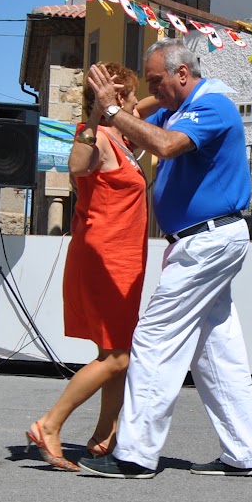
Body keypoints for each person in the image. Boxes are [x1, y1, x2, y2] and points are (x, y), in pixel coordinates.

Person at [75, 40, 252, 479]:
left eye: (158, 81)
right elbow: (134, 121)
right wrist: (113, 102)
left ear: (183, 74)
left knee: (155, 338)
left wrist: (111, 108)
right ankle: (244, 454)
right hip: (203, 240)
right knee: (217, 350)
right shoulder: (176, 106)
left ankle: (135, 454)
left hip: (208, 240)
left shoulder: (212, 105)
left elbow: (164, 145)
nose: (153, 90)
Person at [25, 63, 149, 471]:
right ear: (118, 101)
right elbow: (77, 166)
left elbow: (147, 106)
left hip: (123, 259)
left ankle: (103, 437)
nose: (135, 104)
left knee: (117, 352)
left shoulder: (125, 140)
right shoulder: (101, 139)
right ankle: (50, 423)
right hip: (106, 259)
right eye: (130, 97)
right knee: (117, 357)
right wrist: (96, 113)